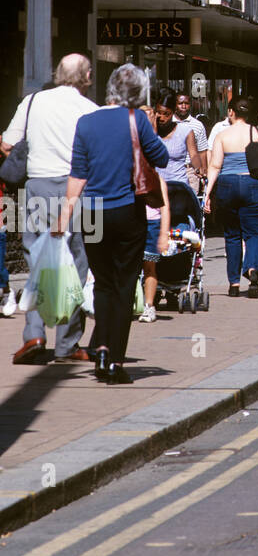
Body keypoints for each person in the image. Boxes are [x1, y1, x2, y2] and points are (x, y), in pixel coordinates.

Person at [55, 63, 169, 384]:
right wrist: (150, 129)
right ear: (137, 93)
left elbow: (78, 173)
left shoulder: (86, 122)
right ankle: (114, 360)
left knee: (102, 283)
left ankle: (100, 348)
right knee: (122, 286)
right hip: (125, 212)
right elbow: (160, 158)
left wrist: (64, 215)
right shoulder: (137, 120)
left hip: (91, 212)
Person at [2, 54, 99, 362]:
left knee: (38, 260)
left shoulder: (32, 102)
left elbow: (7, 144)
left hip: (38, 187)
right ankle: (68, 344)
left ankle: (34, 333)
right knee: (76, 265)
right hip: (77, 190)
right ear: (86, 77)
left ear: (57, 74)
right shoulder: (90, 110)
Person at [139, 93, 202, 322]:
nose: (163, 117)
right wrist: (152, 125)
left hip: (178, 190)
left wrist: (199, 168)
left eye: (167, 114)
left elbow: (194, 154)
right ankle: (152, 290)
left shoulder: (186, 131)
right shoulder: (149, 132)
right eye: (159, 113)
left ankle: (176, 284)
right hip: (152, 188)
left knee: (179, 235)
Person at [205, 98, 258, 298]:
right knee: (254, 233)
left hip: (227, 184)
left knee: (232, 235)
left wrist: (207, 194)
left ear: (231, 112)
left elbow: (215, 165)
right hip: (252, 183)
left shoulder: (223, 135)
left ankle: (234, 283)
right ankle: (251, 269)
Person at [171, 91, 209, 196]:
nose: (183, 106)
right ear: (175, 104)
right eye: (180, 103)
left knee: (191, 204)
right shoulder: (168, 123)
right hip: (171, 170)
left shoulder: (197, 125)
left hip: (191, 171)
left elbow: (202, 150)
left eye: (186, 103)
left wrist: (203, 171)